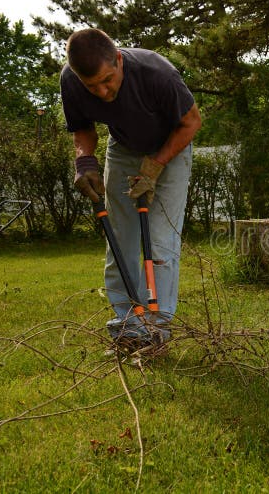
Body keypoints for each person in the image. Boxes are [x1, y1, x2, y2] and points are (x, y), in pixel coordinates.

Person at [60, 28, 201, 351]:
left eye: (108, 80)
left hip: (170, 148)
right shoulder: (71, 80)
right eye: (91, 86)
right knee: (119, 243)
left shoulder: (156, 73)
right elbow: (82, 128)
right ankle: (128, 329)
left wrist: (155, 165)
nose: (102, 91)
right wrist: (84, 163)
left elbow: (192, 122)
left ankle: (156, 331)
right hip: (123, 149)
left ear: (119, 60)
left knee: (161, 243)